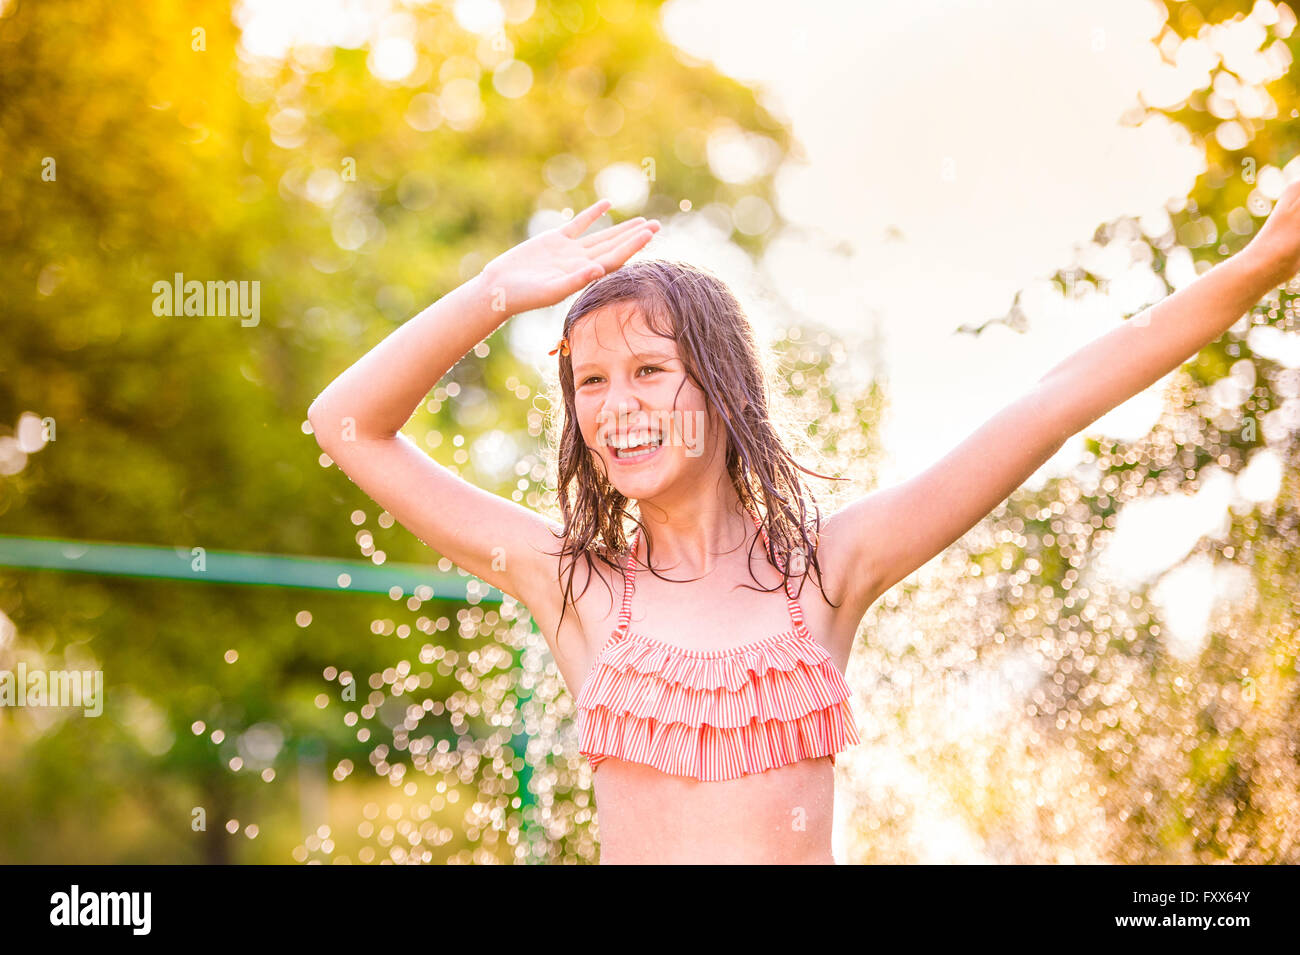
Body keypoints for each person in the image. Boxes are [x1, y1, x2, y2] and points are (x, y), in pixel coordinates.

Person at [308, 191, 1300, 864]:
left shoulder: (825, 571)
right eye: (590, 383)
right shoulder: (574, 585)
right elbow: (346, 423)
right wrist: (495, 292)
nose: (616, 405)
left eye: (649, 370)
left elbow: (1052, 401)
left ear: (722, 388)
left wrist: (1261, 262)